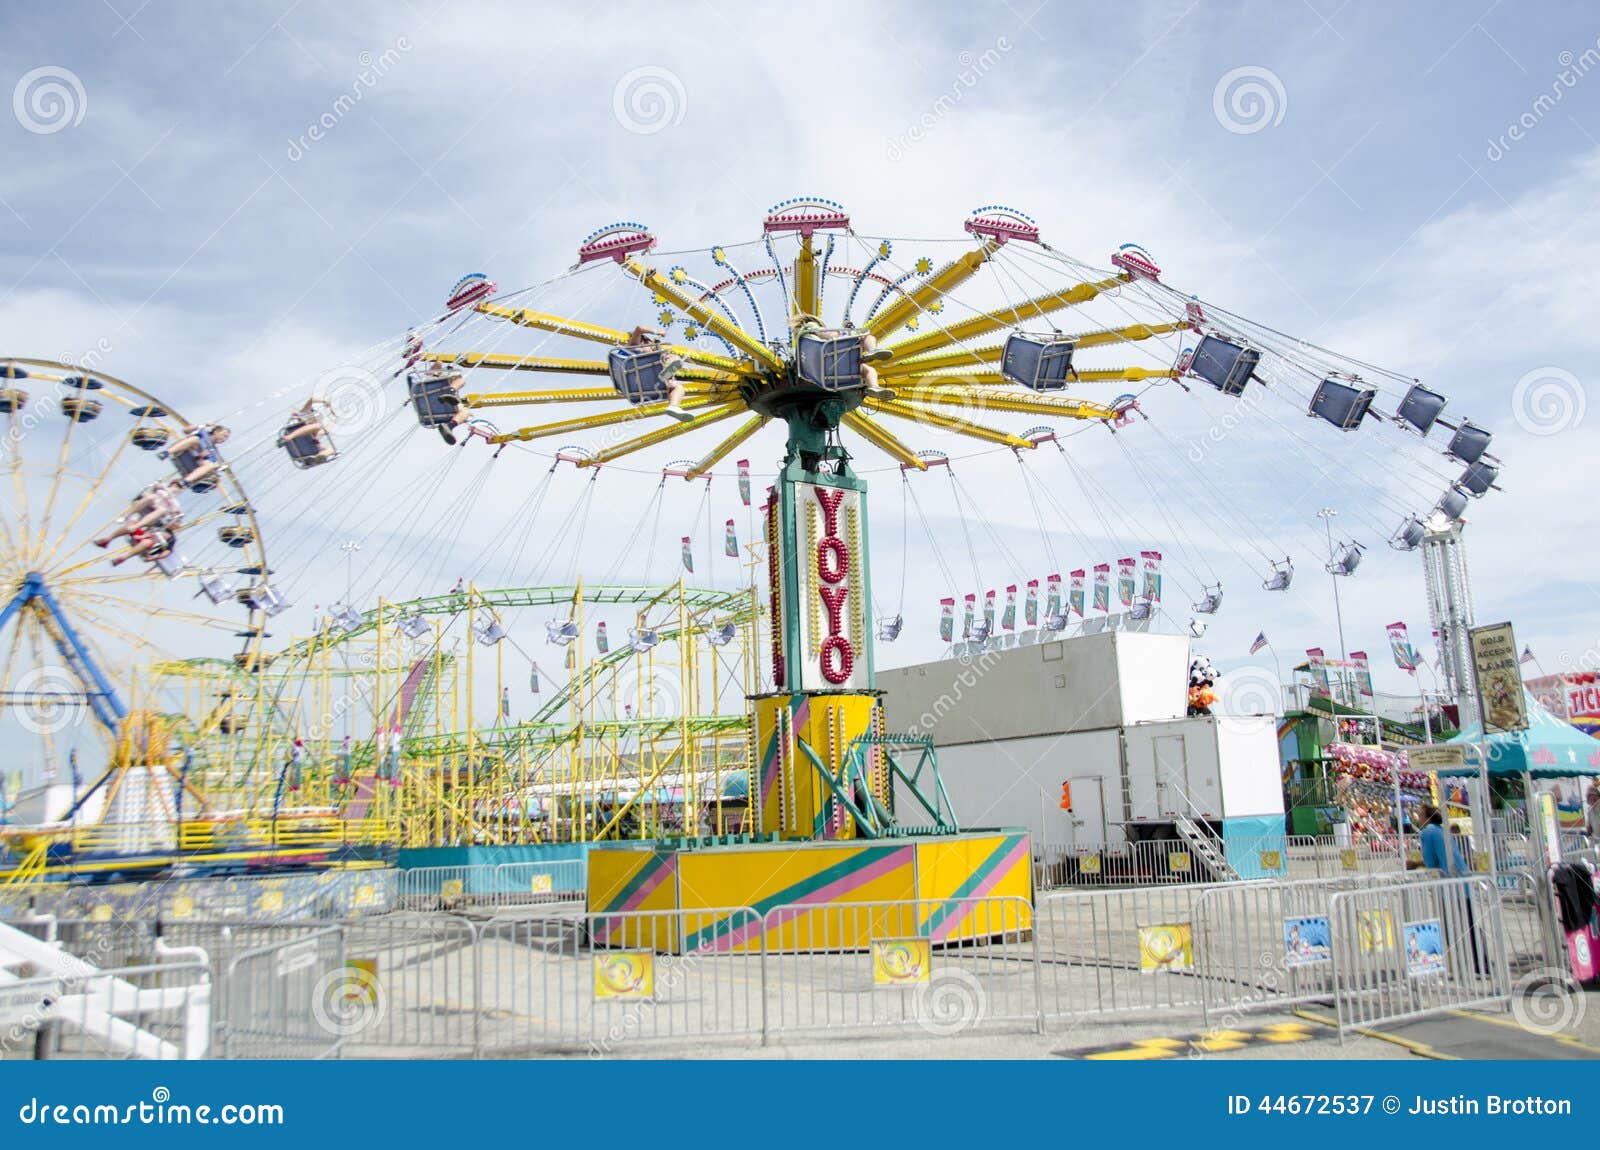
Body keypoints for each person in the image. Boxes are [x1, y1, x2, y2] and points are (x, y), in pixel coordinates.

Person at [790, 313, 892, 395]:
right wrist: (843, 334)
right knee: (867, 338)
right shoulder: (811, 325)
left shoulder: (801, 343)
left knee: (865, 367)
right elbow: (828, 335)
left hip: (821, 376)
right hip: (830, 356)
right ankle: (872, 353)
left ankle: (873, 385)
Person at [625, 326, 691, 422]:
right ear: (642, 341)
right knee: (674, 358)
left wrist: (664, 357)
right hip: (645, 378)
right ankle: (666, 375)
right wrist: (657, 331)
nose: (651, 347)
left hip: (649, 384)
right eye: (649, 344)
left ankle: (673, 406)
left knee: (679, 387)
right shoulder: (634, 346)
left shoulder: (650, 357)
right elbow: (638, 329)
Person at [95, 480, 183, 548]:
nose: (176, 487)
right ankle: (109, 537)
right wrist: (162, 489)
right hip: (147, 505)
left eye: (179, 487)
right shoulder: (162, 488)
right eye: (175, 485)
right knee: (150, 497)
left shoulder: (175, 503)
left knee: (162, 510)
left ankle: (135, 527)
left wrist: (174, 510)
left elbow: (174, 514)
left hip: (154, 515)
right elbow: (149, 491)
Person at [160, 422, 231, 485]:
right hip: (184, 452)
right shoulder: (203, 433)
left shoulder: (215, 452)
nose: (224, 439)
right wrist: (204, 425)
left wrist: (221, 465)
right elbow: (185, 430)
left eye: (226, 438)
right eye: (224, 436)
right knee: (195, 439)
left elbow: (212, 466)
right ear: (216, 431)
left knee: (211, 465)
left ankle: (185, 482)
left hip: (194, 465)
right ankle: (166, 453)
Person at [1414, 802, 1466, 874]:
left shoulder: (1427, 832)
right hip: (1464, 873)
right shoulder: (1443, 830)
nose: (1418, 818)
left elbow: (1430, 863)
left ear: (1428, 818)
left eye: (1420, 815)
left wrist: (1415, 864)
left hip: (1450, 878)